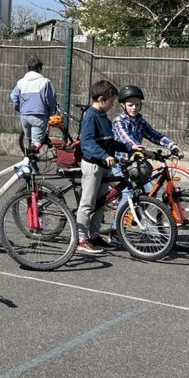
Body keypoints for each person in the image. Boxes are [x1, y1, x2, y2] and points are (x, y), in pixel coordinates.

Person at [77, 79, 131, 253]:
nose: (113, 105)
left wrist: (130, 148)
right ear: (101, 99)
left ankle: (94, 235)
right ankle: (81, 239)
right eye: (111, 102)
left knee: (101, 203)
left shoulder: (103, 118)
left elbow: (110, 143)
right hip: (93, 166)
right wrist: (104, 155)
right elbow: (87, 143)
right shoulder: (90, 117)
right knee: (88, 203)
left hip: (103, 165)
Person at [10, 56, 59, 150]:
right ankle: (29, 161)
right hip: (39, 116)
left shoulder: (21, 82)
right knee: (35, 146)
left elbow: (14, 97)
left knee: (30, 141)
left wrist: (19, 108)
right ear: (39, 68)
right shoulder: (45, 82)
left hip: (24, 116)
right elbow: (51, 99)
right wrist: (52, 112)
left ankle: (30, 160)